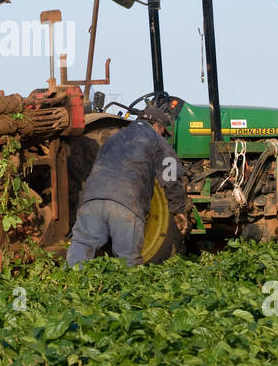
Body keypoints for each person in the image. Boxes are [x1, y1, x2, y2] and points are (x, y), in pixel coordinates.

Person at [66, 107, 189, 268]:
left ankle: (71, 285)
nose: (163, 135)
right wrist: (178, 209)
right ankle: (128, 292)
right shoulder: (156, 140)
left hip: (91, 201)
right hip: (126, 205)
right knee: (128, 262)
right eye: (163, 131)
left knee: (81, 245)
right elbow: (170, 176)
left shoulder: (114, 137)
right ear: (157, 126)